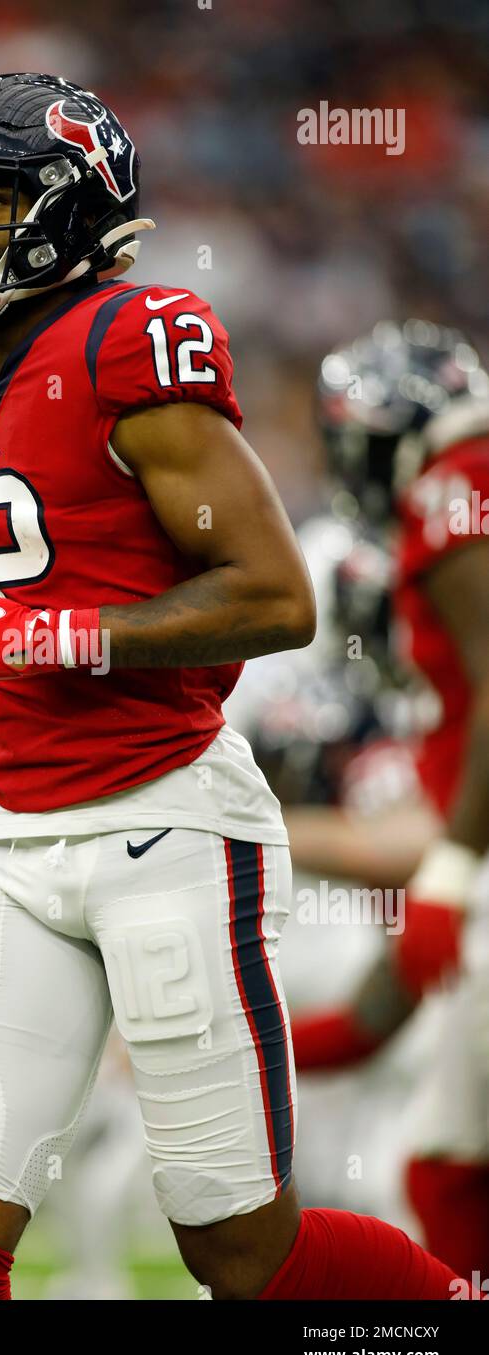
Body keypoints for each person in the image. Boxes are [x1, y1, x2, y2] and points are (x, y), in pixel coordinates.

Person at [0, 73, 478, 1300]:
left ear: (63, 203)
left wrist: (49, 648)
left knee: (243, 1252)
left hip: (164, 822)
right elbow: (56, 595)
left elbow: (267, 597)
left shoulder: (131, 335)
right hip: (10, 839)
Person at [289, 321, 489, 1278]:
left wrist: (448, 875)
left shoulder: (460, 481)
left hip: (470, 880)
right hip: (461, 887)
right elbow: (377, 1014)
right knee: (440, 1160)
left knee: (433, 1165)